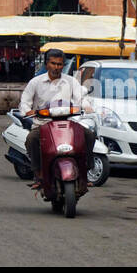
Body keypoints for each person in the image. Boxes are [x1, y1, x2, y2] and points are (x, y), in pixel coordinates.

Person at [18, 48, 93, 186]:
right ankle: (38, 174)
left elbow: (81, 98)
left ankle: (85, 171)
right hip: (43, 123)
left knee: (88, 135)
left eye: (59, 64)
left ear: (63, 65)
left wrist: (87, 107)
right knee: (31, 139)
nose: (56, 67)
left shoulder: (71, 82)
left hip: (68, 123)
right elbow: (25, 102)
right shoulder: (35, 82)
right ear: (47, 64)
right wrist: (27, 111)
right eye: (53, 63)